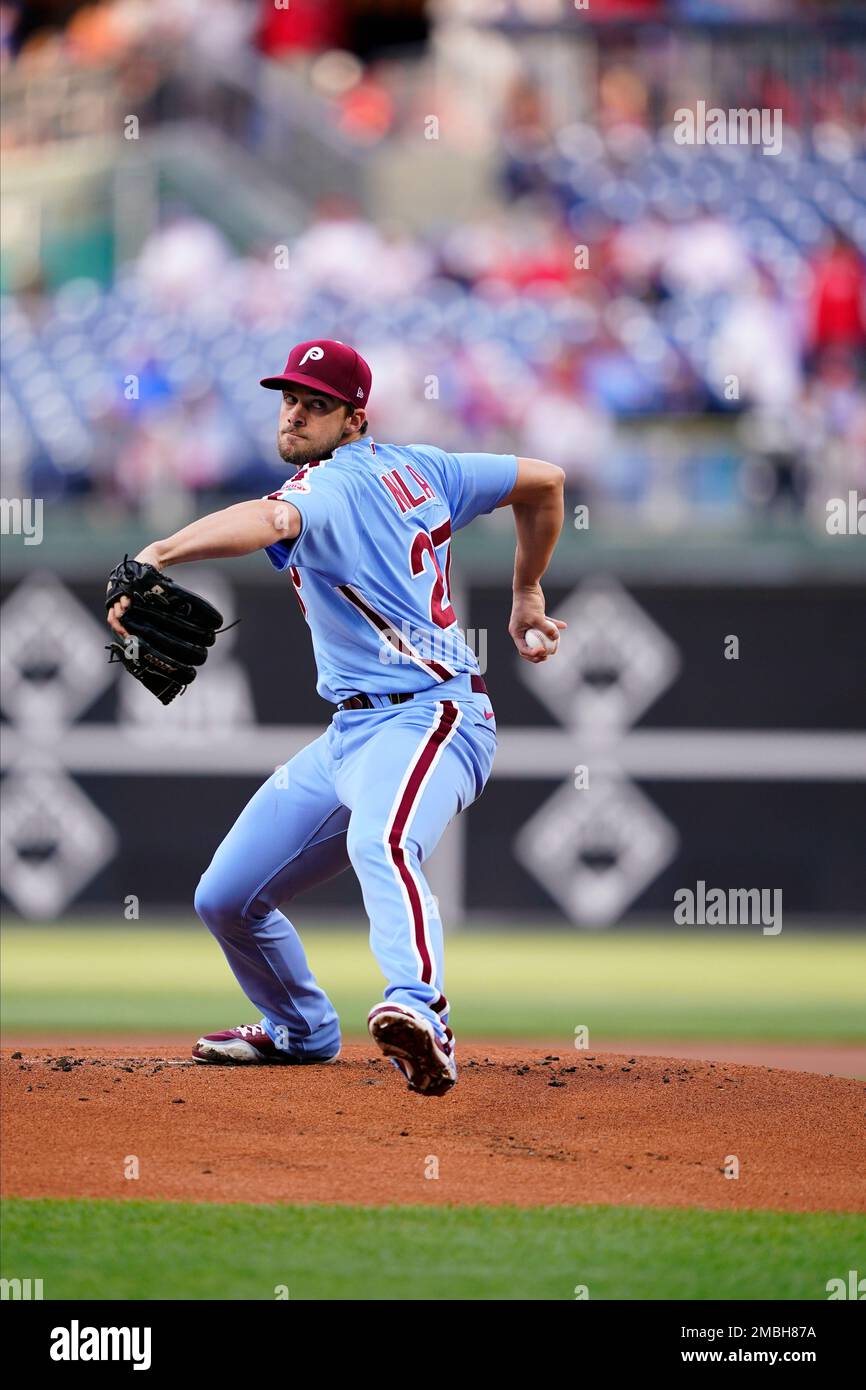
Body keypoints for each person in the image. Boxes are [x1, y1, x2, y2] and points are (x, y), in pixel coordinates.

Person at [107, 339, 565, 1096]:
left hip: (433, 714)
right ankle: (300, 1030)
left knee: (380, 840)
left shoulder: (333, 485)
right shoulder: (430, 466)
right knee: (226, 897)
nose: (294, 412)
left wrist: (161, 548)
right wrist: (528, 594)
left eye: (315, 403)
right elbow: (543, 482)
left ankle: (422, 1013)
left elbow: (272, 517)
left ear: (355, 417)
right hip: (350, 734)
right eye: (288, 397)